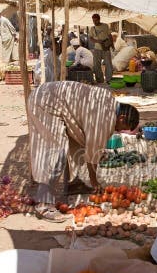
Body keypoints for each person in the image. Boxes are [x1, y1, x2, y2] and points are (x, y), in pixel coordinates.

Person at [26, 81, 139, 221]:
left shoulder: (109, 102)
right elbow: (93, 151)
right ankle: (43, 204)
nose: (118, 130)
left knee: (75, 145)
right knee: (54, 151)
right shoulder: (106, 116)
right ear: (121, 117)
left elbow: (87, 141)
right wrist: (94, 181)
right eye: (122, 127)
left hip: (50, 99)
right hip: (45, 103)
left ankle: (73, 182)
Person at [88, 13, 113, 83]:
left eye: (96, 20)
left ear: (99, 20)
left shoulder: (105, 26)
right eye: (93, 21)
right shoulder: (92, 28)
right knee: (96, 64)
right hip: (97, 49)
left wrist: (112, 45)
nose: (94, 22)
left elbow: (110, 35)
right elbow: (90, 38)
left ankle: (109, 79)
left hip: (106, 48)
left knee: (108, 64)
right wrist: (97, 41)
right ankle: (100, 80)